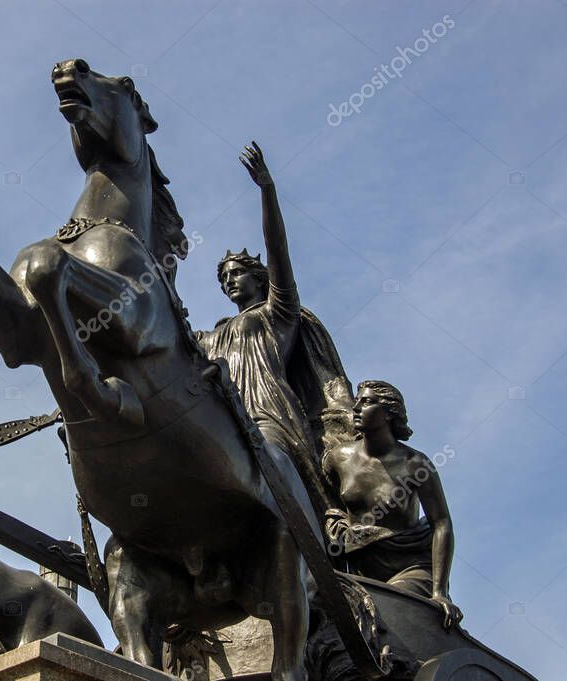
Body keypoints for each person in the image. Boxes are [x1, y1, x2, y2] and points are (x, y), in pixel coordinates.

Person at [196, 142, 351, 517]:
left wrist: (267, 190)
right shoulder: (210, 337)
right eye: (224, 278)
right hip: (222, 415)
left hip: (268, 413)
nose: (230, 281)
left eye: (237, 273)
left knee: (267, 458)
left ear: (259, 277)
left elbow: (277, 247)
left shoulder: (277, 313)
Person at [321, 380, 463, 629]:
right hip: (362, 569)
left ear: (388, 413)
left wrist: (439, 592)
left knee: (386, 612)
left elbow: (441, 523)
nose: (357, 408)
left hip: (410, 567)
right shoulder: (337, 459)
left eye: (367, 402)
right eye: (357, 401)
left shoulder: (415, 464)